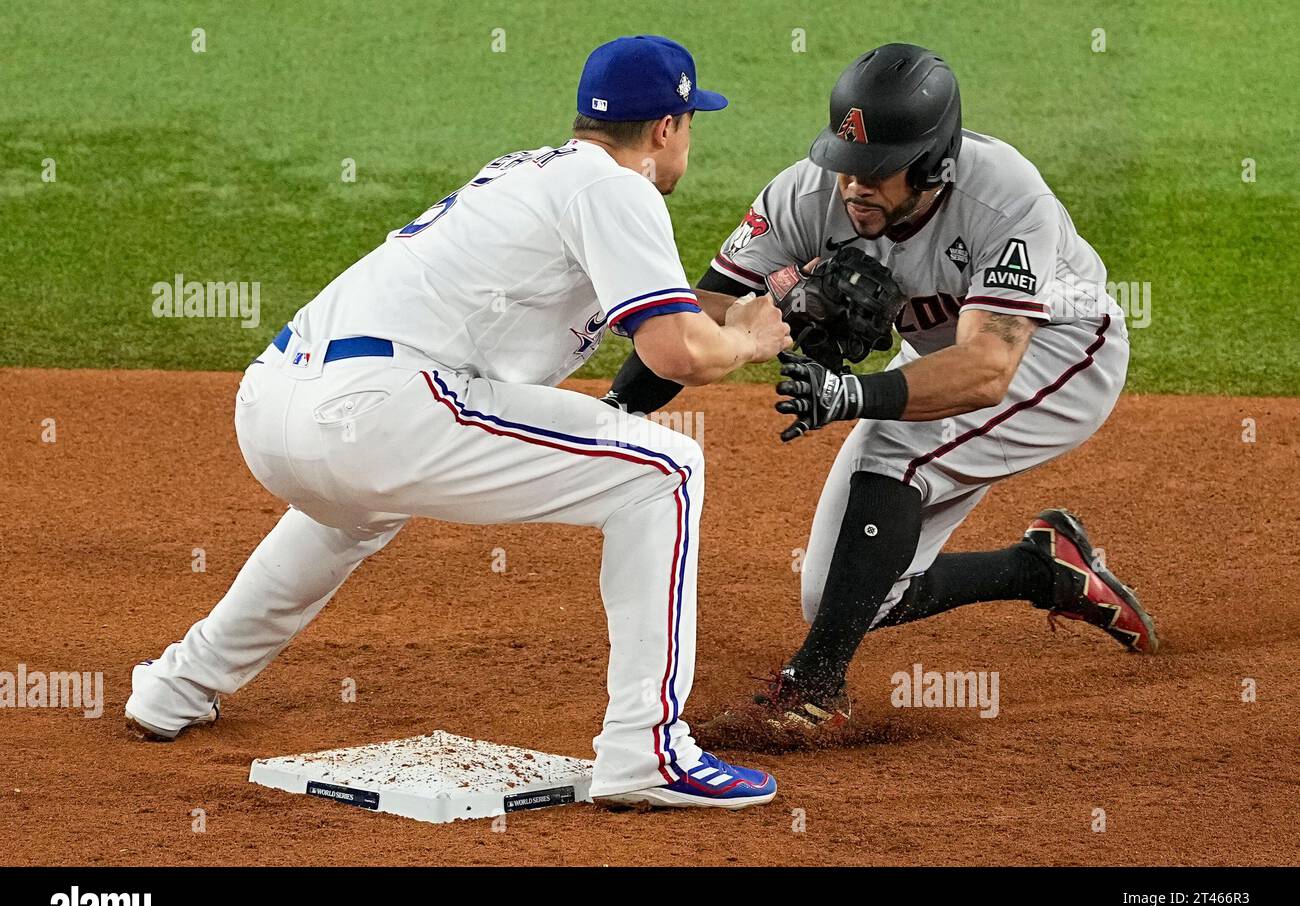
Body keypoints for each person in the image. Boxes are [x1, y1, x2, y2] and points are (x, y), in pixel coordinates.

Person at [125, 35, 791, 808]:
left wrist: (761, 305)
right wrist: (750, 340)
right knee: (667, 473)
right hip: (380, 409)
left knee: (355, 514)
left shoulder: (531, 174)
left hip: (277, 403)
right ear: (668, 127)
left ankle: (175, 687)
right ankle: (649, 750)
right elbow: (677, 350)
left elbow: (663, 312)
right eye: (689, 123)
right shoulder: (617, 189)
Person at [601, 43, 1156, 745]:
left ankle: (812, 691)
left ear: (932, 165)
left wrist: (850, 395)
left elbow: (988, 367)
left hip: (1062, 358)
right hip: (940, 357)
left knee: (895, 456)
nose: (852, 186)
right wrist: (617, 414)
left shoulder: (1008, 200)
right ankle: (1042, 570)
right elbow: (698, 314)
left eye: (876, 171)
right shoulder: (805, 196)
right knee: (840, 592)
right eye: (844, 163)